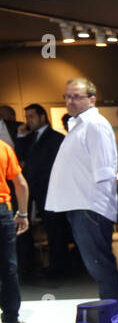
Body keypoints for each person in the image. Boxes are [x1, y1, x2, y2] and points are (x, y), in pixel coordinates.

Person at [45, 77, 118, 308]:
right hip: (82, 205)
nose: (70, 101)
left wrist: (97, 208)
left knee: (100, 266)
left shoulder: (94, 124)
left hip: (90, 207)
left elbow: (105, 169)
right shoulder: (80, 125)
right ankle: (115, 316)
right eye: (67, 96)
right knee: (99, 267)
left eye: (76, 96)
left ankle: (116, 317)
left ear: (92, 99)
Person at [14, 104, 69, 277]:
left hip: (49, 188)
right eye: (27, 116)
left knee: (54, 228)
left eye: (32, 116)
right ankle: (31, 265)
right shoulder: (30, 138)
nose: (28, 120)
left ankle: (59, 266)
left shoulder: (55, 137)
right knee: (31, 225)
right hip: (32, 188)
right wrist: (21, 136)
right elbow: (20, 157)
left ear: (42, 117)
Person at [0, 138, 30, 323]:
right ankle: (11, 318)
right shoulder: (3, 147)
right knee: (8, 268)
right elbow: (21, 184)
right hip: (2, 211)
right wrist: (23, 213)